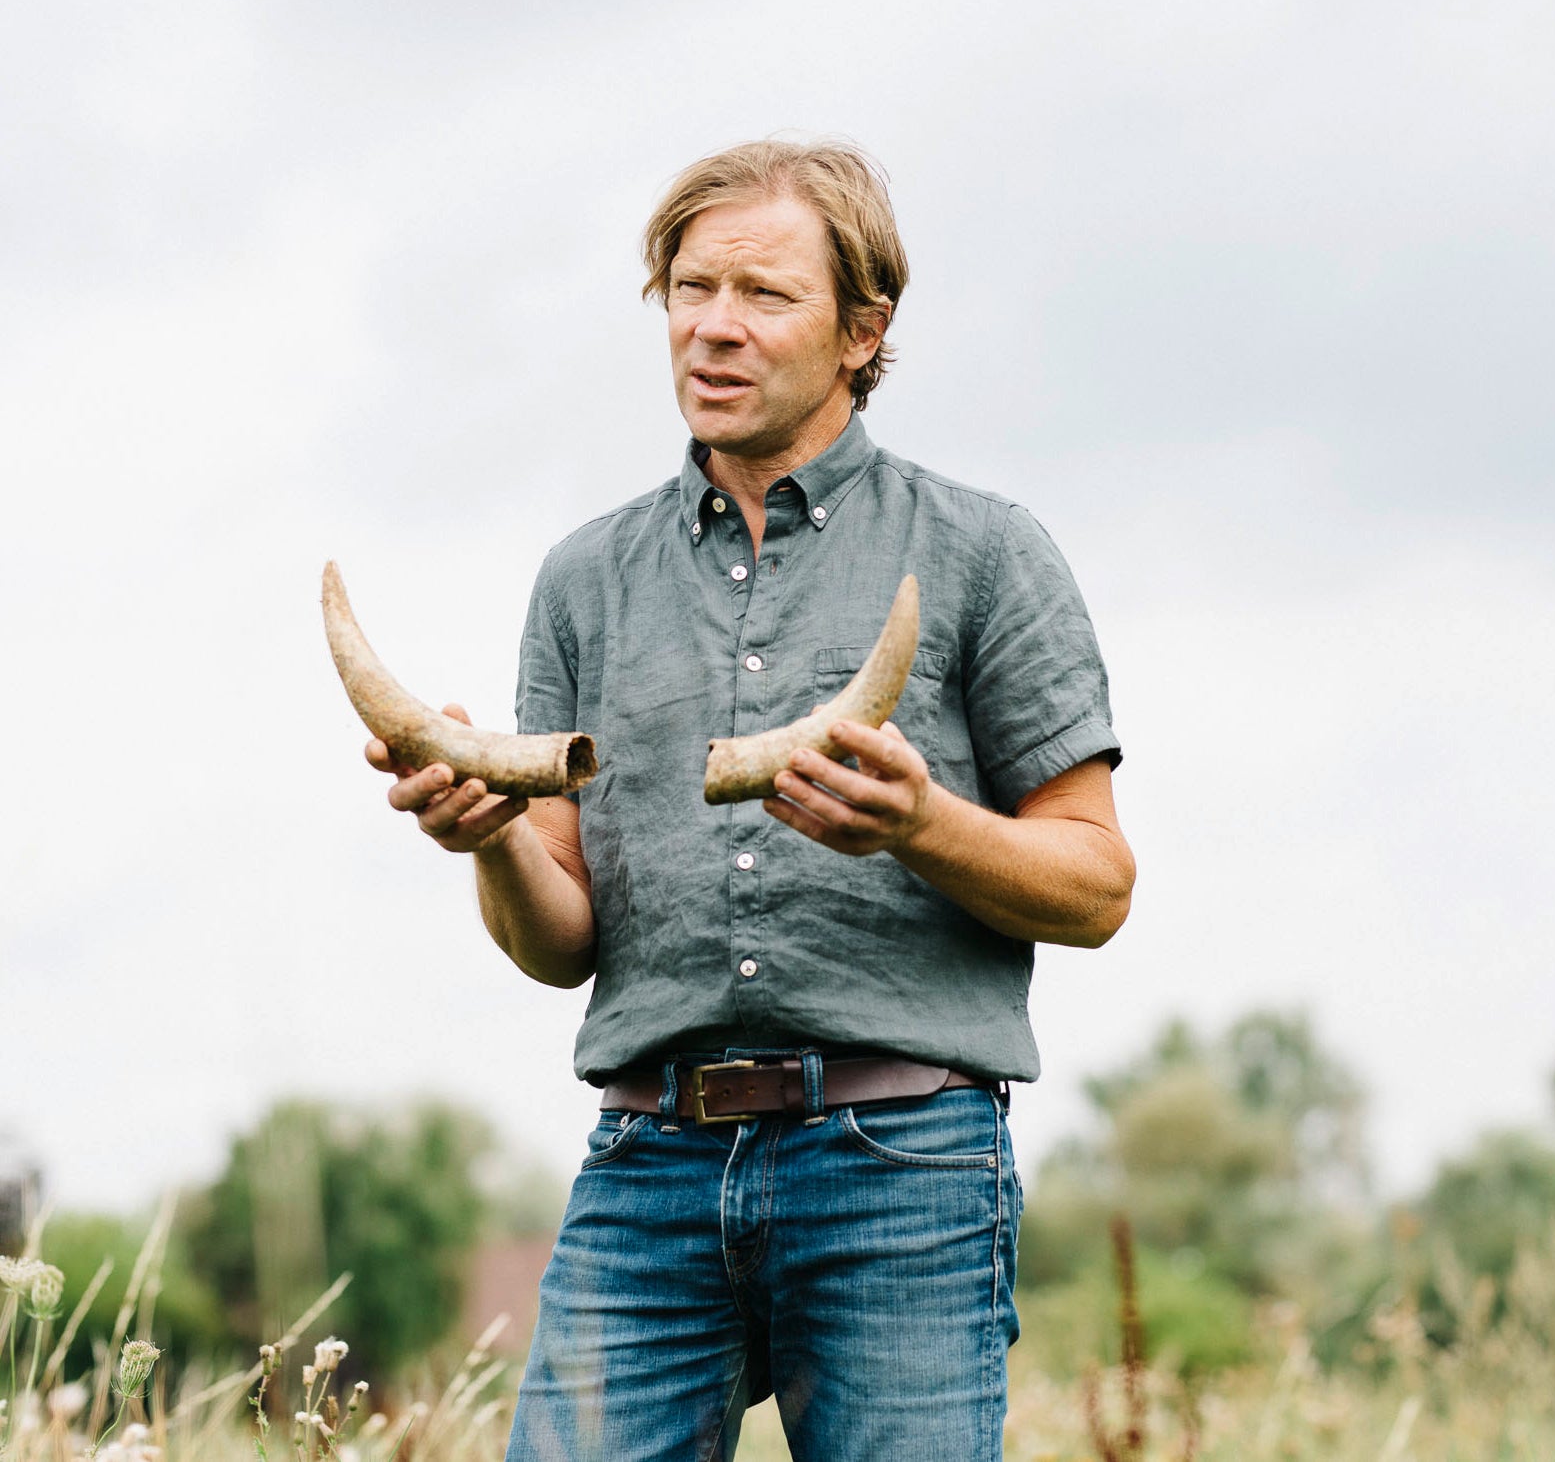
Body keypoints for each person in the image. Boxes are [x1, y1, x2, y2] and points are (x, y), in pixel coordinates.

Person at [366, 139, 1135, 1461]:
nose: (713, 327)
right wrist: (490, 844)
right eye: (690, 288)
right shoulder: (582, 580)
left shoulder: (986, 553)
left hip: (903, 1165)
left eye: (765, 295)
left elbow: (1098, 885)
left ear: (861, 332)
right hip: (646, 1165)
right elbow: (560, 942)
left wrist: (921, 826)